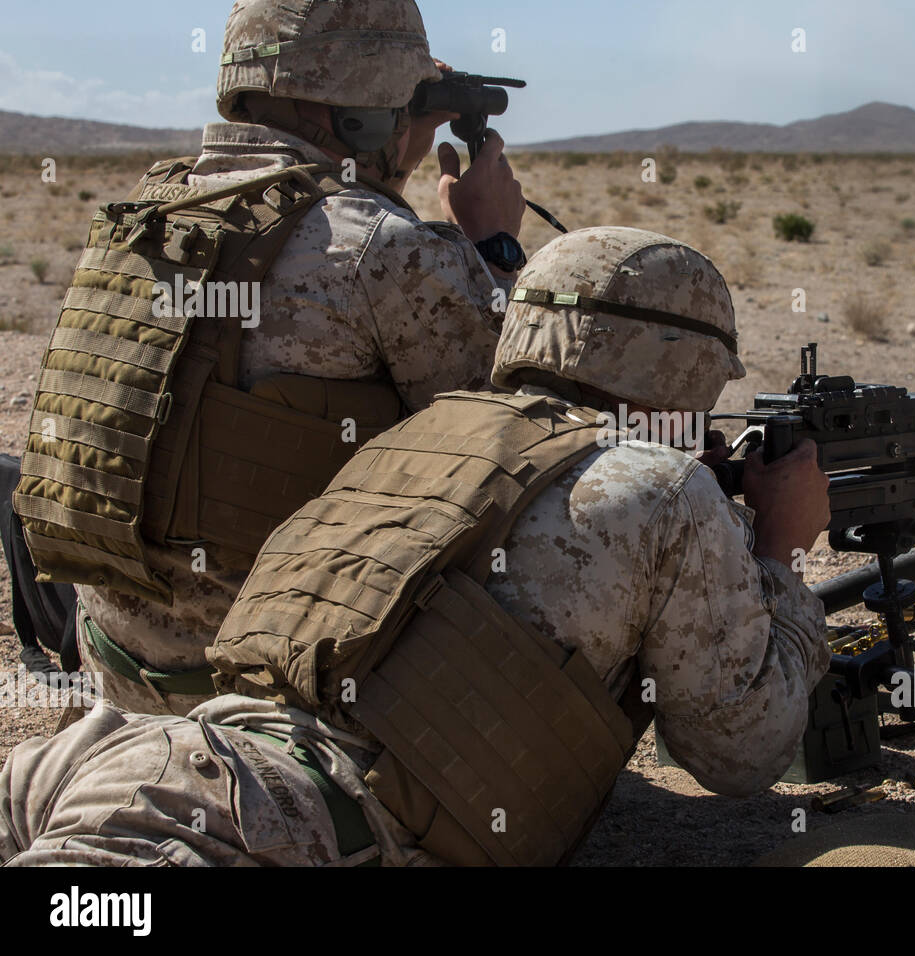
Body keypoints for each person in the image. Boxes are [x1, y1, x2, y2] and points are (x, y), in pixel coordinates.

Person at [0, 227, 831, 867]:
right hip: (277, 826)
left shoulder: (422, 434)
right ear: (684, 372)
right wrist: (782, 556)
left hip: (124, 757)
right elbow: (740, 749)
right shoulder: (660, 486)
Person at [11, 0, 526, 716]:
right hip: (270, 700)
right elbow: (516, 420)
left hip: (121, 672)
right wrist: (493, 246)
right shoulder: (380, 248)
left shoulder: (146, 211)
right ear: (359, 116)